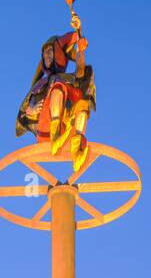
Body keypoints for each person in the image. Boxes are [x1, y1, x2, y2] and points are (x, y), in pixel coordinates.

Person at [16, 12, 96, 171]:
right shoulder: (42, 83)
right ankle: (55, 134)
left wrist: (79, 36)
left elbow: (80, 70)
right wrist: (31, 109)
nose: (47, 55)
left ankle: (77, 146)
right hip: (46, 129)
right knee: (56, 84)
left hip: (66, 128)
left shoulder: (65, 78)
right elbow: (26, 109)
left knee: (82, 101)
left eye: (50, 51)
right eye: (45, 53)